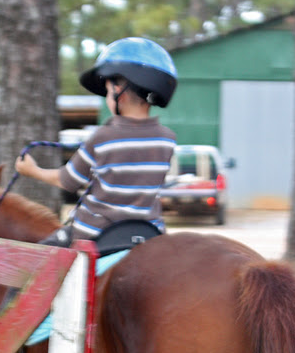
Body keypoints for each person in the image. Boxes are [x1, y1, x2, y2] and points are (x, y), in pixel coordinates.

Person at [15, 36, 178, 242]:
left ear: (119, 92)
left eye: (108, 92)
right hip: (147, 234)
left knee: (42, 262)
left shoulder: (103, 137)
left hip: (96, 234)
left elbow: (67, 180)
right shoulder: (167, 139)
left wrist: (32, 171)